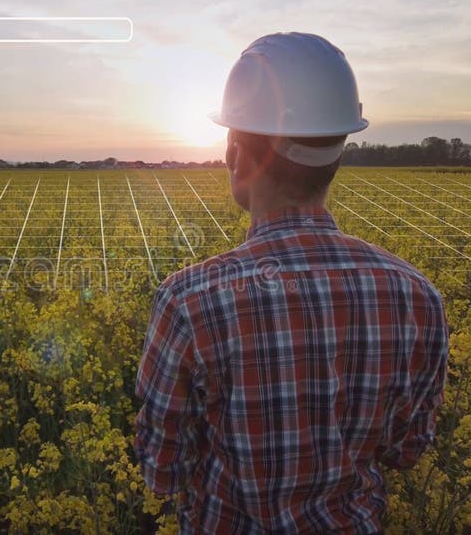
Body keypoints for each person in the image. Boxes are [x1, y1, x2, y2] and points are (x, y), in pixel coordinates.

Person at [133, 32, 449, 534]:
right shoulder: (417, 296)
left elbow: (162, 472)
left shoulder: (190, 302)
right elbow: (406, 450)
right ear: (338, 152)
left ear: (235, 153)